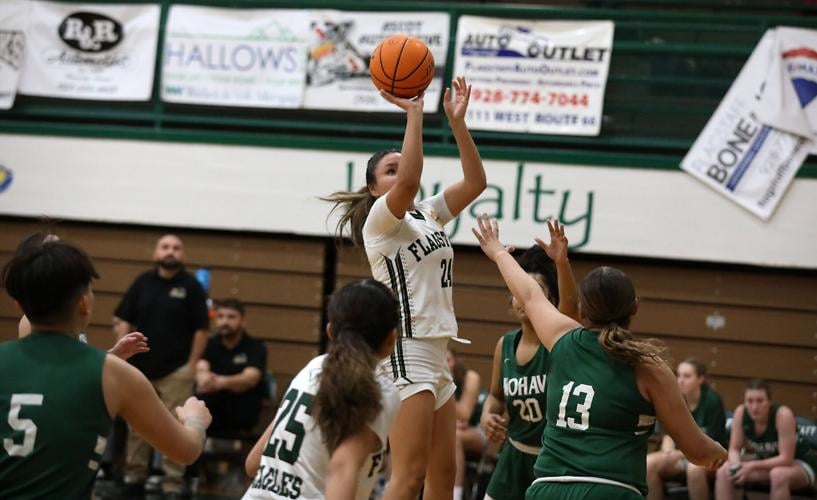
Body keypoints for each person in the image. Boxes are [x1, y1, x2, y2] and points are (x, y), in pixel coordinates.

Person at [471, 215, 726, 499]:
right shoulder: (649, 367)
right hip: (611, 490)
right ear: (635, 308)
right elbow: (695, 450)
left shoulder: (561, 340)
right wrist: (717, 451)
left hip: (548, 489)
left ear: (582, 310)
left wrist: (496, 252)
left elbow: (530, 295)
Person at [323, 76, 486, 500]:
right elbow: (411, 181)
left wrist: (457, 123)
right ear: (375, 189)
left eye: (401, 165)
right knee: (408, 475)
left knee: (442, 479)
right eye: (389, 171)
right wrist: (415, 113)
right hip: (405, 348)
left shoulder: (427, 214)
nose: (400, 176)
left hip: (437, 351)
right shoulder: (381, 221)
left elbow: (475, 184)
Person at [0, 239, 212, 499]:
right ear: (83, 304)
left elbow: (62, 371)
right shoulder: (114, 375)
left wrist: (111, 356)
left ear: (19, 305)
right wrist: (195, 420)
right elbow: (185, 450)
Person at [242, 279, 401, 500]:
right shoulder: (381, 389)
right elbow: (342, 467)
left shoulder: (313, 368)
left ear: (330, 331)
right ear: (392, 338)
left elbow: (253, 463)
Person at [481, 220, 580, 500]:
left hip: (553, 462)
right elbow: (496, 397)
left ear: (547, 300)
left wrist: (562, 263)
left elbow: (571, 307)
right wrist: (488, 415)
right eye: (518, 290)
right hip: (513, 455)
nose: (523, 297)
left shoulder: (559, 342)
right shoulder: (505, 345)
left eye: (534, 291)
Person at [113, 234, 210, 495]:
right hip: (140, 369)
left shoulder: (192, 287)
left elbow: (202, 329)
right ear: (156, 253)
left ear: (183, 255)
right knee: (136, 427)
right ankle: (134, 479)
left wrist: (191, 365)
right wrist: (123, 353)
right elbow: (123, 318)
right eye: (165, 247)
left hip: (176, 371)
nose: (171, 252)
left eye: (176, 248)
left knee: (177, 427)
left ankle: (172, 485)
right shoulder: (142, 282)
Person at [14, 232, 149, 360]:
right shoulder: (31, 320)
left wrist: (113, 354)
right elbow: (53, 375)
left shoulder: (67, 311)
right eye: (56, 247)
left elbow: (74, 366)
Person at [715, 379, 816, 500]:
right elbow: (734, 449)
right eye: (750, 401)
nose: (754, 406)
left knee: (778, 475)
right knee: (724, 471)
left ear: (769, 402)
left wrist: (750, 466)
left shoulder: (783, 415)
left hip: (799, 463)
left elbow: (786, 459)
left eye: (760, 401)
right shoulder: (741, 412)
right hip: (766, 461)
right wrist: (736, 466)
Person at [646, 357, 726, 500]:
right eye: (679, 375)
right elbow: (668, 434)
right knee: (649, 463)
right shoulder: (674, 398)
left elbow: (712, 445)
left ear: (700, 379)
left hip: (709, 457)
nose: (680, 380)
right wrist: (668, 451)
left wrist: (677, 454)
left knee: (694, 469)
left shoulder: (712, 402)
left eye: (687, 376)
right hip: (682, 454)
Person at [196, 298, 267, 435]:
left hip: (241, 416)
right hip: (210, 416)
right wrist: (230, 382)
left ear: (243, 321)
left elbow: (250, 379)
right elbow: (201, 375)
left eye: (231, 317)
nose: (225, 322)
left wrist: (219, 382)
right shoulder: (209, 344)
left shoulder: (255, 347)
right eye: (221, 317)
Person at [447, 347, 485, 500]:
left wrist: (443, 386)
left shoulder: (470, 377)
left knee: (454, 436)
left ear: (456, 362)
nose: (444, 365)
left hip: (475, 430)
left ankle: (456, 496)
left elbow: (464, 413)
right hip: (444, 429)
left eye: (447, 360)